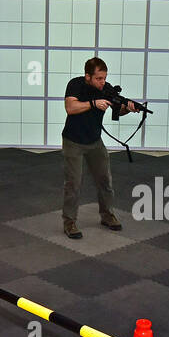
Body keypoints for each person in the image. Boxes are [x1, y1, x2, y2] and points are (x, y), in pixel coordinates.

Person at [60, 56, 134, 239]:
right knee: (73, 184)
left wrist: (129, 108)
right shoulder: (75, 85)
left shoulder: (106, 89)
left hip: (95, 142)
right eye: (98, 78)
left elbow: (118, 110)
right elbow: (70, 107)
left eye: (104, 78)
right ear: (87, 76)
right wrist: (93, 103)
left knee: (105, 181)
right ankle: (69, 222)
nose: (102, 82)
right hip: (73, 141)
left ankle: (107, 215)